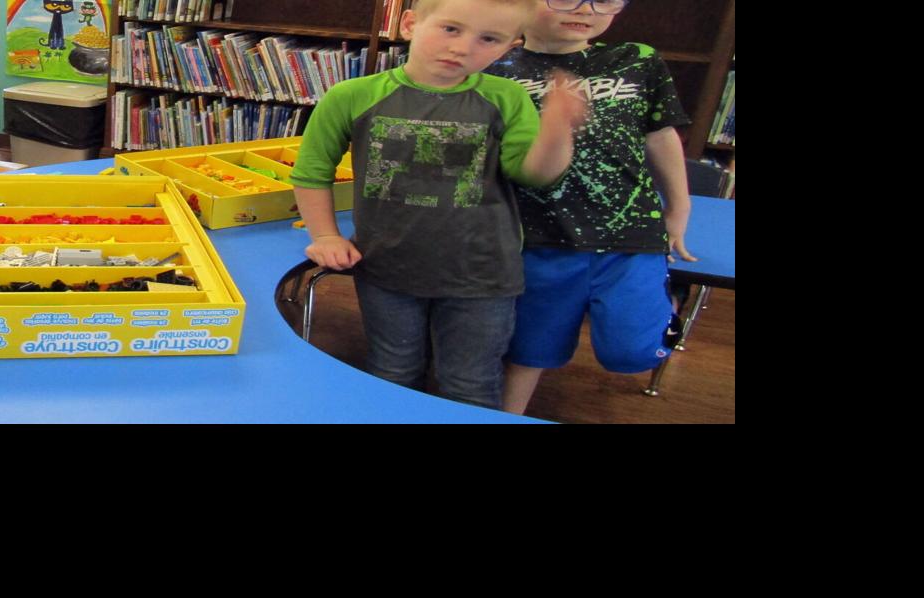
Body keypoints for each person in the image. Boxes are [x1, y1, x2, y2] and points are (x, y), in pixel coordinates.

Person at [291, 0, 586, 410]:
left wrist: (556, 130)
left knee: (469, 383)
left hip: (482, 275)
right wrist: (324, 235)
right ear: (410, 24)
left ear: (509, 47)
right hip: (386, 269)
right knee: (392, 373)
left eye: (489, 39)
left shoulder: (506, 97)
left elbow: (534, 174)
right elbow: (311, 172)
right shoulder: (351, 96)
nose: (463, 48)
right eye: (451, 29)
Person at [487, 0, 696, 415]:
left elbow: (660, 136)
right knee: (528, 350)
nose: (585, 8)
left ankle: (667, 304)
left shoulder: (636, 59)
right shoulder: (493, 68)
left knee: (632, 353)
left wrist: (679, 207)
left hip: (629, 235)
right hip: (535, 240)